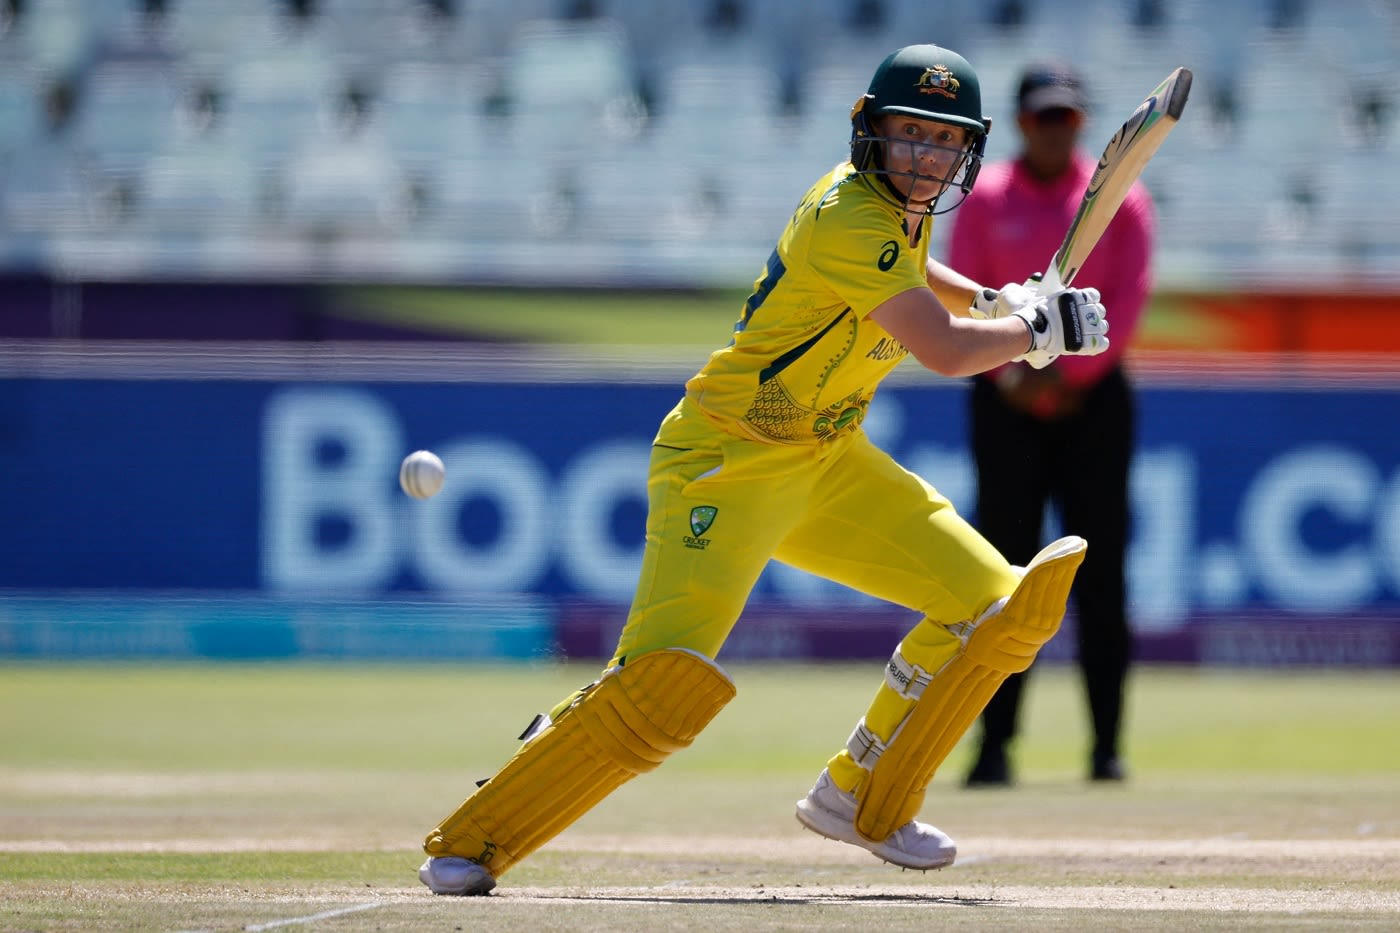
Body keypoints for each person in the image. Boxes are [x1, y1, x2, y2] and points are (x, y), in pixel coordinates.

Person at [418, 44, 1112, 896]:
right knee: (658, 686)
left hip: (826, 459)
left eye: (944, 141)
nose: (927, 157)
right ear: (870, 132)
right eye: (909, 136)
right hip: (726, 463)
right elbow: (942, 349)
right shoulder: (847, 215)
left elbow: (917, 275)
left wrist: (996, 299)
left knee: (996, 608)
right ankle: (478, 837)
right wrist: (1038, 332)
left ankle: (862, 795)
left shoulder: (902, 206)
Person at [946, 62, 1153, 786]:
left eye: (1066, 119)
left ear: (1081, 125)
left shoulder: (1119, 204)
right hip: (1006, 404)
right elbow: (969, 303)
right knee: (1003, 577)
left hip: (1092, 405)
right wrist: (1015, 374)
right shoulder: (986, 201)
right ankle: (993, 745)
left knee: (1100, 576)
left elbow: (1124, 308)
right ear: (1021, 123)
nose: (1054, 131)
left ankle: (1106, 747)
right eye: (1042, 119)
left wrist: (1068, 377)